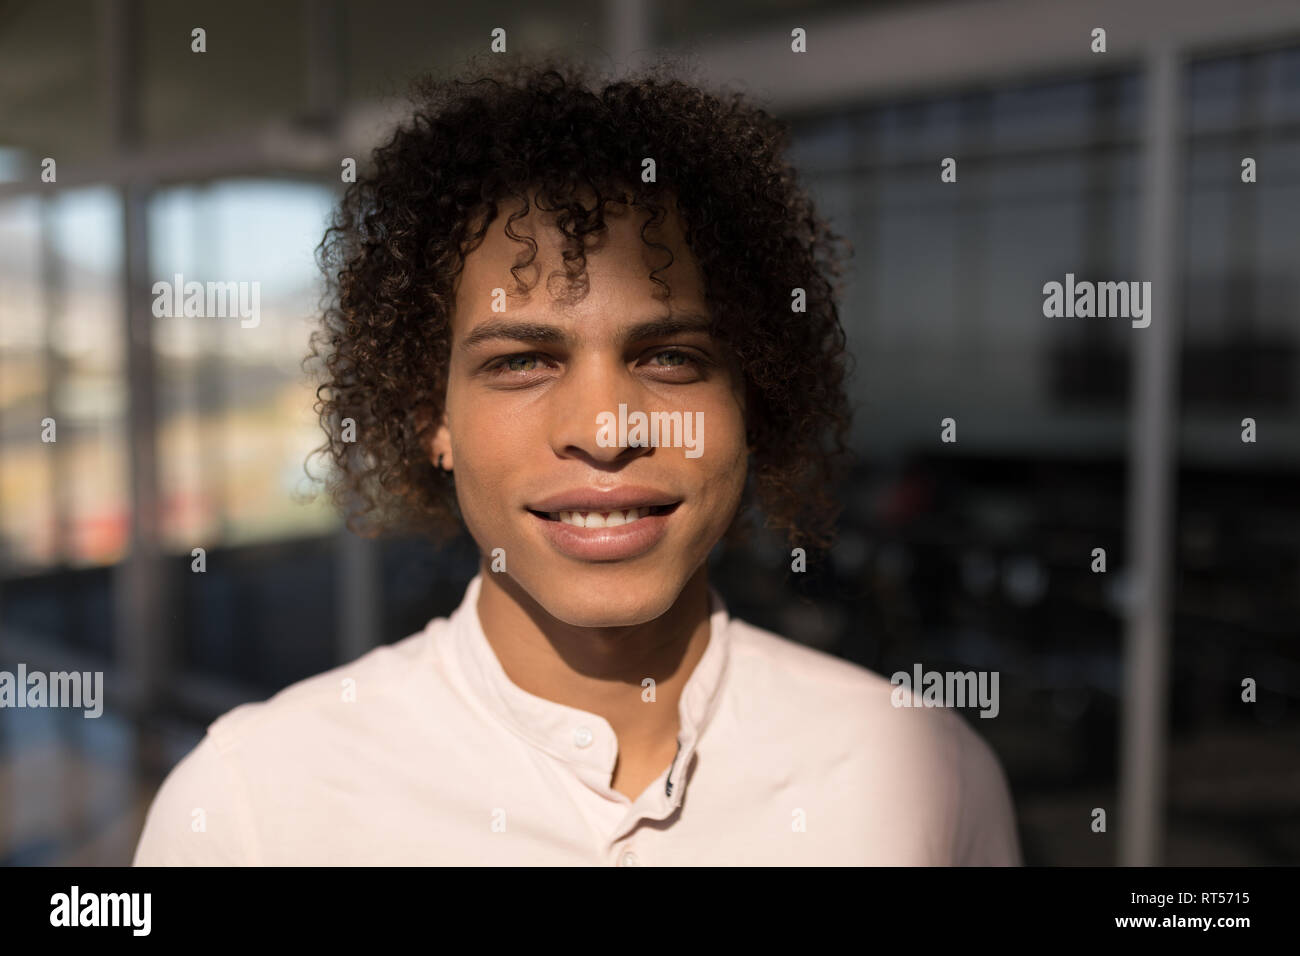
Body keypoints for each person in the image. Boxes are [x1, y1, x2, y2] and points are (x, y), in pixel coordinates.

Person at [134, 54, 1021, 866]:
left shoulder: (925, 780)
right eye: (521, 362)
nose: (603, 429)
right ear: (430, 418)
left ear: (752, 402)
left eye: (670, 357)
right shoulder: (254, 807)